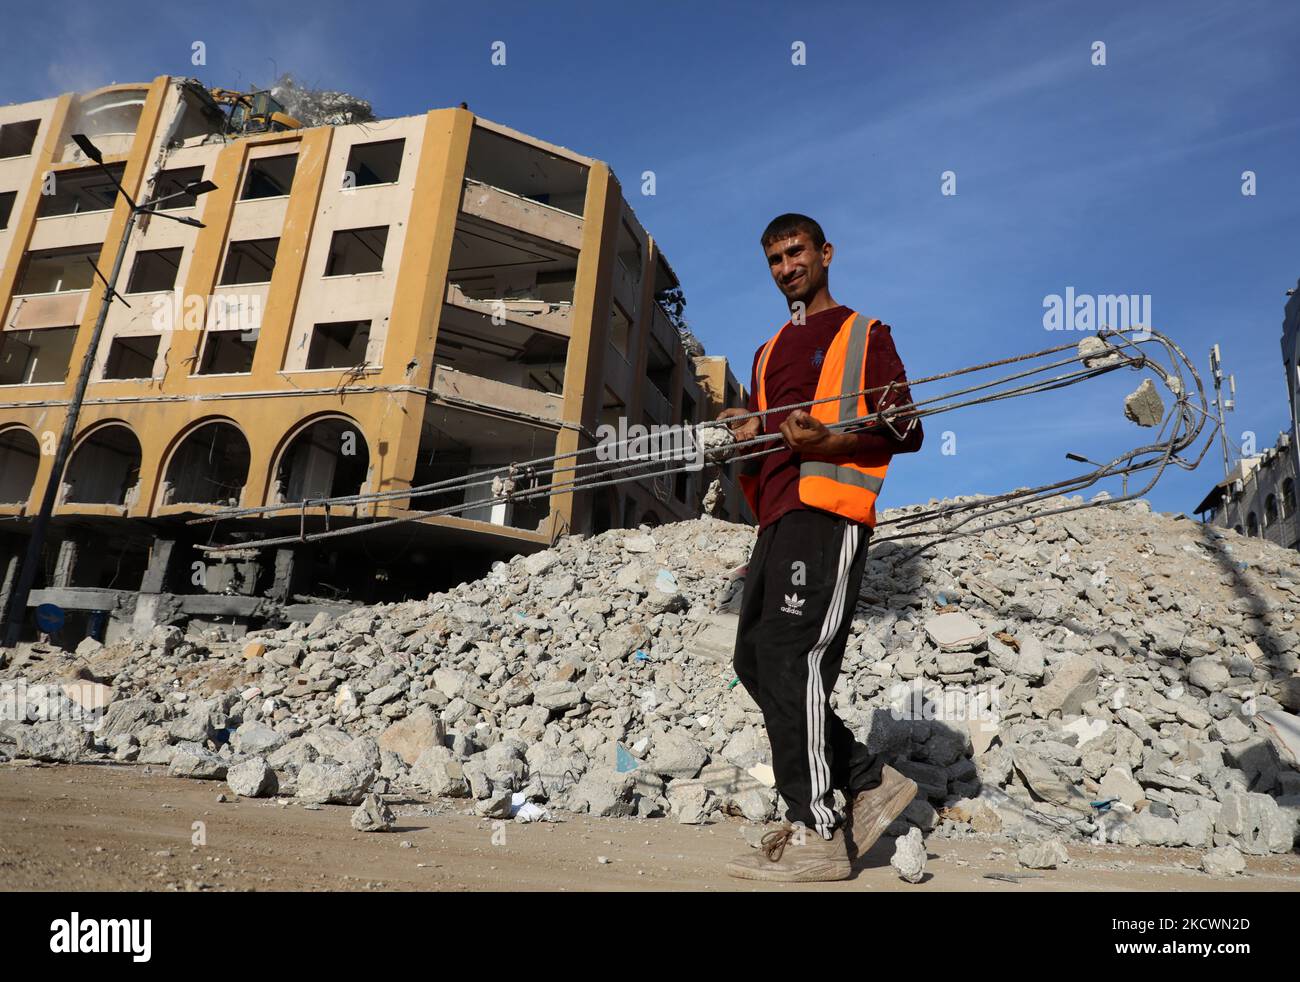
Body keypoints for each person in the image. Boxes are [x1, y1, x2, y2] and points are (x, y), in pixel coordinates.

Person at [718, 213, 924, 881]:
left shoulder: (865, 333)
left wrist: (833, 443)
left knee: (791, 653)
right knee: (754, 658)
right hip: (775, 515)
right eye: (775, 259)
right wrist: (744, 427)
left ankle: (816, 829)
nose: (786, 267)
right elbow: (763, 432)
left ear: (825, 253)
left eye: (796, 252)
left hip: (826, 511)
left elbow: (907, 424)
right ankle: (867, 779)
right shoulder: (767, 349)